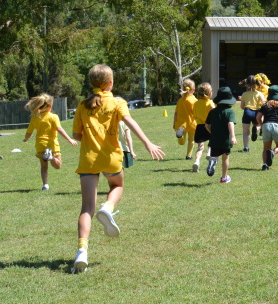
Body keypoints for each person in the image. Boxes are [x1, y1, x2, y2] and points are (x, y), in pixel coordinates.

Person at [71, 64, 165, 273]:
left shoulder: (81, 105)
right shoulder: (117, 102)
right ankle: (108, 208)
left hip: (88, 160)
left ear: (91, 83)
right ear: (111, 83)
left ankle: (82, 251)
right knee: (117, 186)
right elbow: (130, 122)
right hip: (111, 159)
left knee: (86, 208)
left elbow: (77, 136)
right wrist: (148, 143)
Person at [22, 93, 78, 191]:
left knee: (44, 167)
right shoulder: (53, 117)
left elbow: (29, 133)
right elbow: (59, 129)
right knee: (58, 165)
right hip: (52, 144)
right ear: (50, 106)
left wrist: (25, 139)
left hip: (40, 145)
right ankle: (51, 157)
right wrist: (69, 139)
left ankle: (45, 185)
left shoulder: (35, 118)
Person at [205, 87, 237, 183]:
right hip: (225, 140)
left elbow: (207, 125)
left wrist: (212, 132)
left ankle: (213, 161)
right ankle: (224, 177)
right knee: (225, 157)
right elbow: (230, 123)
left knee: (215, 155)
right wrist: (233, 136)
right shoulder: (230, 111)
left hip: (214, 138)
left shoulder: (213, 111)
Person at [256, 85, 278, 170]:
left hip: (266, 126)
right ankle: (273, 152)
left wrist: (261, 124)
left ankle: (265, 165)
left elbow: (258, 117)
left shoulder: (264, 106)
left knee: (266, 148)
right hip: (277, 126)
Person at [192, 82, 215, 172]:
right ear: (209, 93)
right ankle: (209, 152)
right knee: (212, 141)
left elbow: (194, 115)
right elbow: (213, 111)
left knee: (200, 147)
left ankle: (197, 162)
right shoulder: (209, 102)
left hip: (199, 127)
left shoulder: (196, 103)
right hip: (209, 125)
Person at [173, 79, 197, 160]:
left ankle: (180, 138)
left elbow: (176, 113)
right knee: (191, 140)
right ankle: (189, 156)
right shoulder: (194, 100)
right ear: (193, 90)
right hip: (192, 123)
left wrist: (174, 123)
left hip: (181, 124)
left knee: (182, 142)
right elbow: (196, 113)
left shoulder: (180, 100)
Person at [239, 75, 264, 151]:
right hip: (257, 112)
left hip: (247, 112)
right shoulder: (259, 93)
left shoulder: (244, 94)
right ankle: (256, 129)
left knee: (246, 132)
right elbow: (264, 103)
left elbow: (242, 107)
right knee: (260, 125)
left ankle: (246, 147)